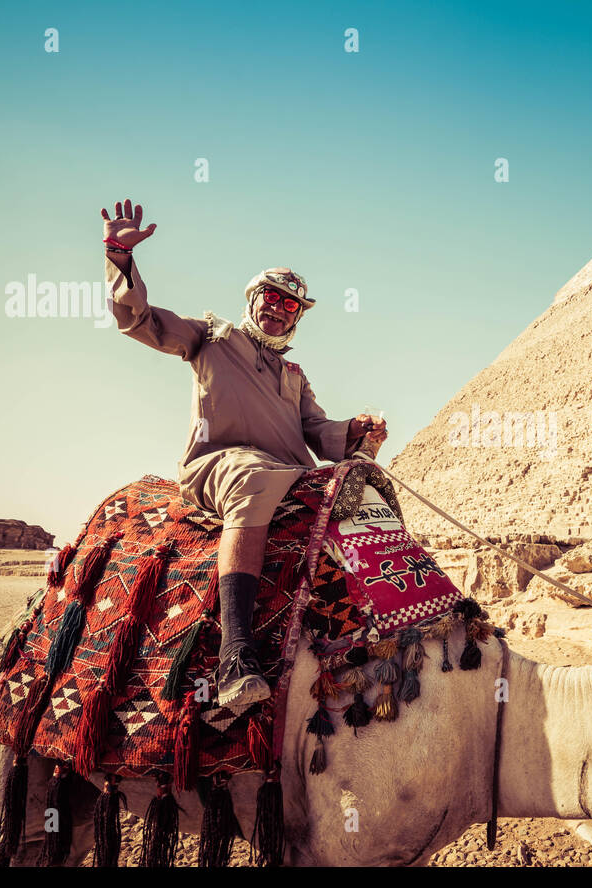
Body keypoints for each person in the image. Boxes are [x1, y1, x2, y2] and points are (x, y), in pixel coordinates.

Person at [100, 199, 388, 712]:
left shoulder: (295, 376)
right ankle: (236, 652)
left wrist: (356, 431)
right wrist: (120, 257)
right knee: (252, 475)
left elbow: (318, 434)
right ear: (253, 300)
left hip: (288, 471)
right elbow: (139, 321)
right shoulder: (211, 336)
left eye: (290, 306)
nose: (279, 310)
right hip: (221, 465)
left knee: (366, 492)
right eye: (271, 299)